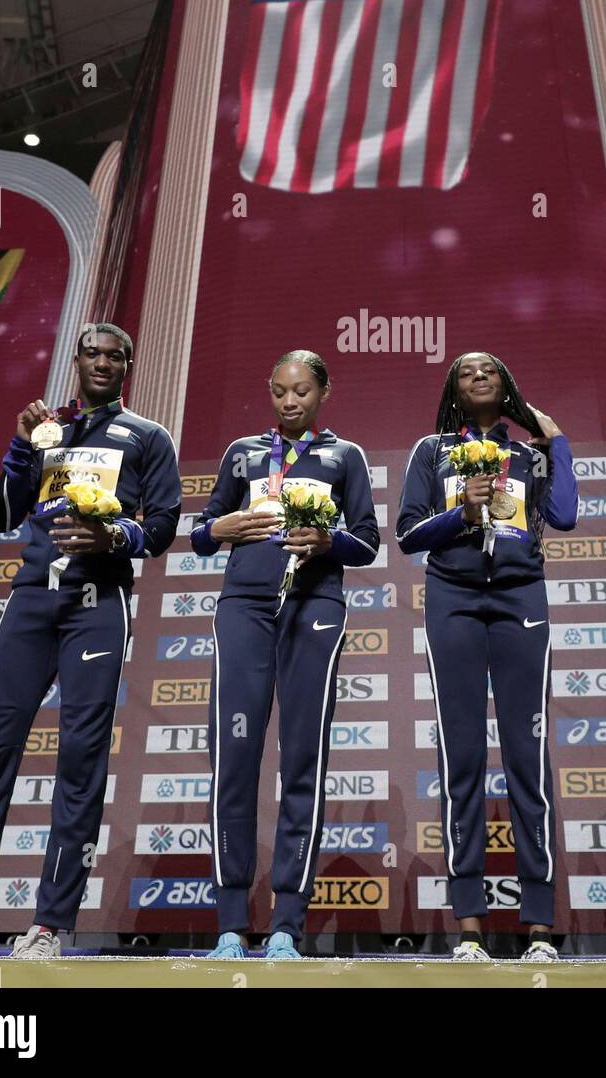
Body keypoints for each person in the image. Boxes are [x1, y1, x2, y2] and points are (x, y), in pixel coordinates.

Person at [0, 324, 181, 960]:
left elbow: (164, 526)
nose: (104, 363)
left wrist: (113, 539)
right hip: (31, 602)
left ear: (129, 366)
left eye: (116, 356)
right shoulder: (46, 429)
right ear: (77, 361)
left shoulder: (147, 436)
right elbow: (3, 514)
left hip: (98, 606)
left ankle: (49, 927)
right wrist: (19, 445)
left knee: (80, 763)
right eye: (93, 353)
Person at [190, 349, 379, 960]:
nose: (289, 402)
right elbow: (201, 531)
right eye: (278, 392)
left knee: (302, 760)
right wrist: (220, 529)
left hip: (314, 606)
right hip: (244, 608)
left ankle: (285, 927)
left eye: (300, 391)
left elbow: (368, 543)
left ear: (324, 391)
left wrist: (328, 541)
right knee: (234, 762)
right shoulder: (242, 453)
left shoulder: (344, 456)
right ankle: (227, 923)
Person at [396, 351, 578, 962]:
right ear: (452, 387)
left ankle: (540, 926)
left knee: (529, 757)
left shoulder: (527, 454)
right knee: (463, 755)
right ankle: (469, 923)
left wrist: (558, 445)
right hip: (454, 600)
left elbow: (566, 516)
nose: (479, 375)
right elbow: (406, 535)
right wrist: (460, 512)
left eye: (492, 370)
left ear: (508, 388)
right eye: (467, 370)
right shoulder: (431, 451)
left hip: (521, 596)